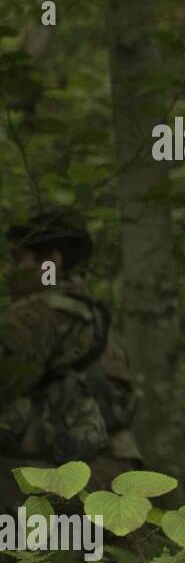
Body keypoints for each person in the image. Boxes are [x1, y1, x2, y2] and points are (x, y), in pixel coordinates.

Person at [0, 209, 140, 512]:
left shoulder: (39, 314)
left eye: (19, 259)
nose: (9, 271)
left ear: (52, 261)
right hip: (116, 475)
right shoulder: (95, 316)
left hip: (75, 477)